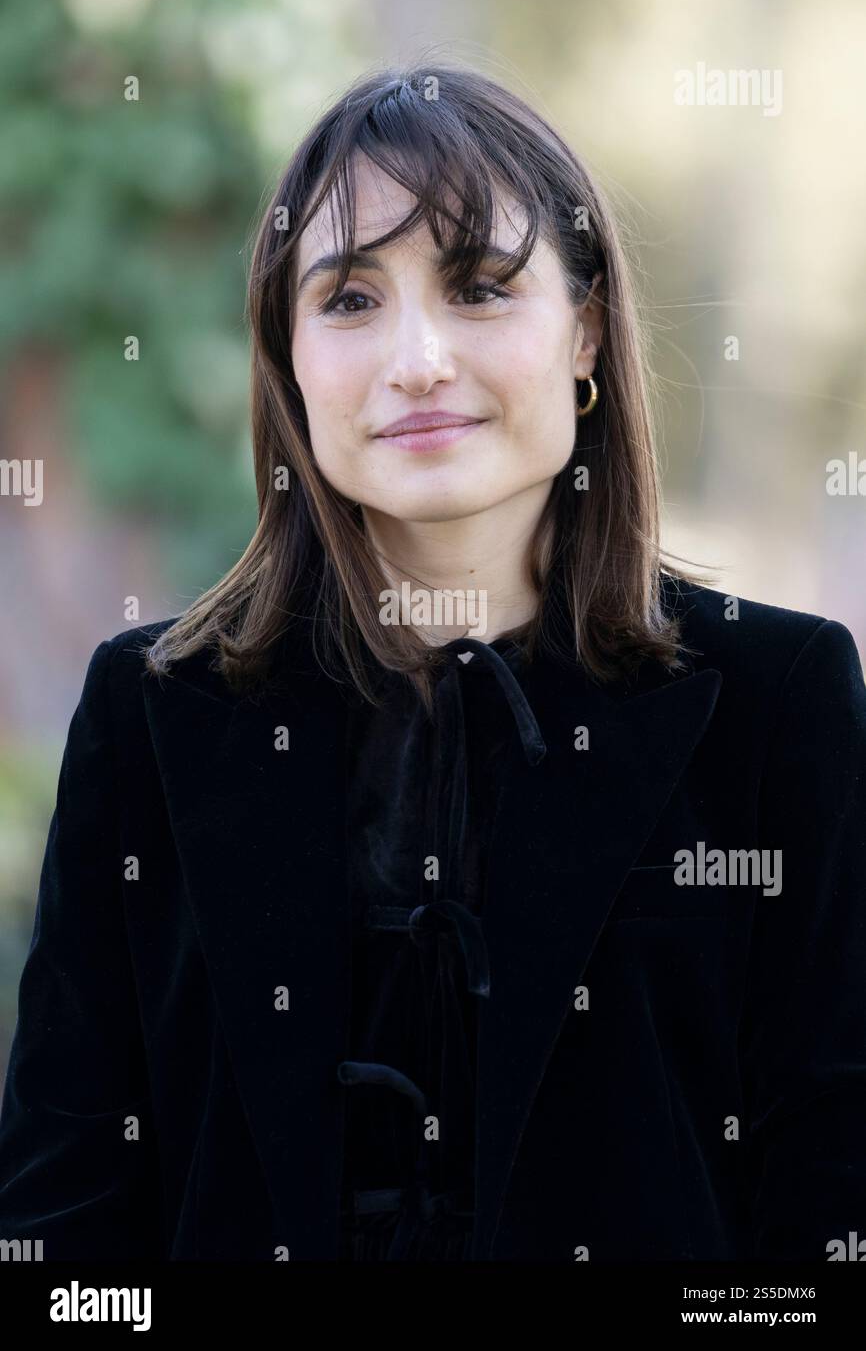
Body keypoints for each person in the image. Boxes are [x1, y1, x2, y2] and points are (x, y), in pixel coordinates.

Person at [1, 64, 865, 1263]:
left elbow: (829, 1200)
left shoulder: (780, 702)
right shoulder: (149, 711)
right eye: (348, 299)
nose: (414, 361)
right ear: (288, 360)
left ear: (587, 332)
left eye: (477, 286)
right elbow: (62, 1211)